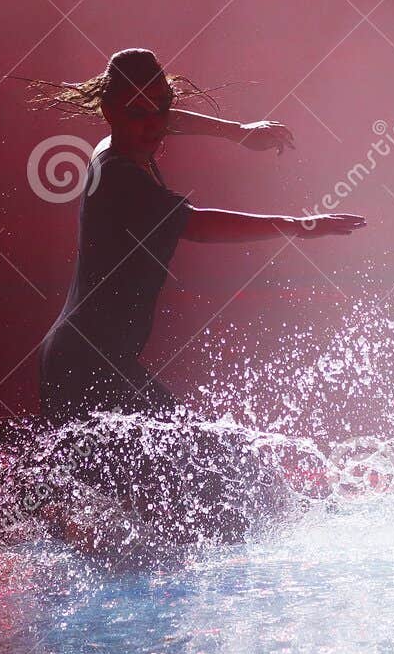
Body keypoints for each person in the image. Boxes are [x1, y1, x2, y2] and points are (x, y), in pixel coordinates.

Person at [29, 47, 365, 427]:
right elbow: (197, 226)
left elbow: (164, 120)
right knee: (204, 471)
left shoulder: (117, 142)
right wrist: (294, 225)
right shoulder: (120, 177)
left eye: (160, 108)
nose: (153, 126)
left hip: (90, 360)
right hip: (87, 368)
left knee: (180, 470)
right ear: (109, 111)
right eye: (138, 113)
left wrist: (239, 133)